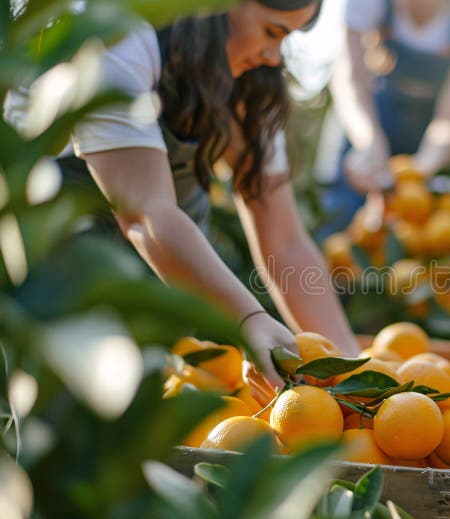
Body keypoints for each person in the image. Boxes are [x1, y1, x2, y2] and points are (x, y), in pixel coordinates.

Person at [4, 0, 361, 392]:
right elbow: (144, 213)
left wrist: (349, 368)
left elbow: (286, 241)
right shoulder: (121, 37)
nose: (274, 57)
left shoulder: (250, 87)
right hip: (57, 289)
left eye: (286, 39)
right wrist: (248, 319)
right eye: (271, 32)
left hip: (158, 306)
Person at [316, 0, 450, 238]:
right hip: (365, 122)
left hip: (425, 139)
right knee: (340, 231)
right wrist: (368, 141)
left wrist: (421, 168)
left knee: (414, 241)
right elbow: (351, 81)